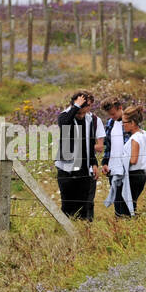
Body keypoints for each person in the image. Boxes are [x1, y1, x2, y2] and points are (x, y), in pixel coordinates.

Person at [55, 91, 101, 219]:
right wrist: (76, 107)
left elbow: (90, 142)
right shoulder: (65, 116)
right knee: (68, 204)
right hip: (67, 169)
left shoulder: (88, 119)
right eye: (79, 112)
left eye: (84, 112)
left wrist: (94, 163)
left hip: (84, 168)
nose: (81, 115)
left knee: (84, 204)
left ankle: (83, 232)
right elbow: (64, 124)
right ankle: (66, 232)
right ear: (74, 106)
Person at [105, 105, 146, 217]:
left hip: (132, 176)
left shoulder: (134, 138)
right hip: (141, 175)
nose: (123, 125)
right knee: (131, 205)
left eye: (125, 122)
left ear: (133, 123)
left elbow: (133, 160)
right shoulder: (145, 134)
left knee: (124, 209)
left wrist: (120, 160)